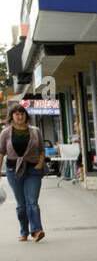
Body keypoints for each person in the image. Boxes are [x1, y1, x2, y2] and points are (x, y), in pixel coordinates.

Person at [2, 101, 46, 242]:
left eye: (22, 114)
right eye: (16, 114)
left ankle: (36, 231)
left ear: (26, 116)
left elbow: (41, 150)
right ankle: (24, 230)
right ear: (12, 116)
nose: (19, 116)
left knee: (32, 201)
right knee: (21, 205)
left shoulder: (35, 131)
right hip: (13, 171)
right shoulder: (5, 133)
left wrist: (39, 164)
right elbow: (1, 152)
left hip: (33, 170)